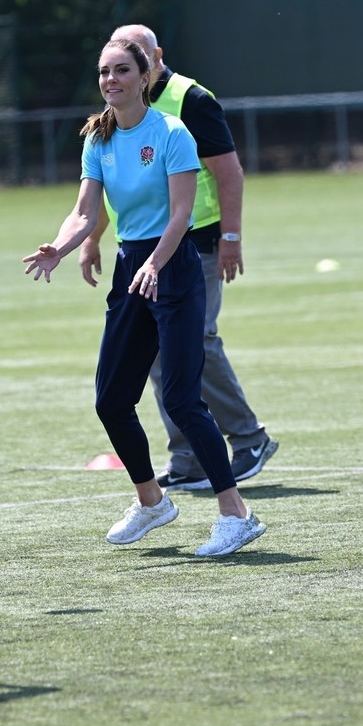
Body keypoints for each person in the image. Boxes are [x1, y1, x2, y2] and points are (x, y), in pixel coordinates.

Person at [23, 38, 265, 556]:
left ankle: (236, 514)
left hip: (172, 267)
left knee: (181, 398)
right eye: (104, 72)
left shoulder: (172, 132)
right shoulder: (97, 137)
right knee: (111, 399)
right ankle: (152, 501)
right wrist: (60, 248)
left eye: (121, 71)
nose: (111, 80)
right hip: (132, 267)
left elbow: (181, 212)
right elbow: (85, 211)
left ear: (143, 77)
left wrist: (157, 262)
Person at [77, 23, 278, 492]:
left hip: (194, 243)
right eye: (106, 67)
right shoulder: (107, 125)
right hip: (140, 250)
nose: (116, 75)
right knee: (154, 358)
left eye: (129, 63)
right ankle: (187, 457)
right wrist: (90, 237)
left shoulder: (190, 102)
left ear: (152, 61)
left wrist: (231, 235)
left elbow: (228, 173)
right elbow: (118, 189)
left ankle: (249, 439)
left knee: (195, 342)